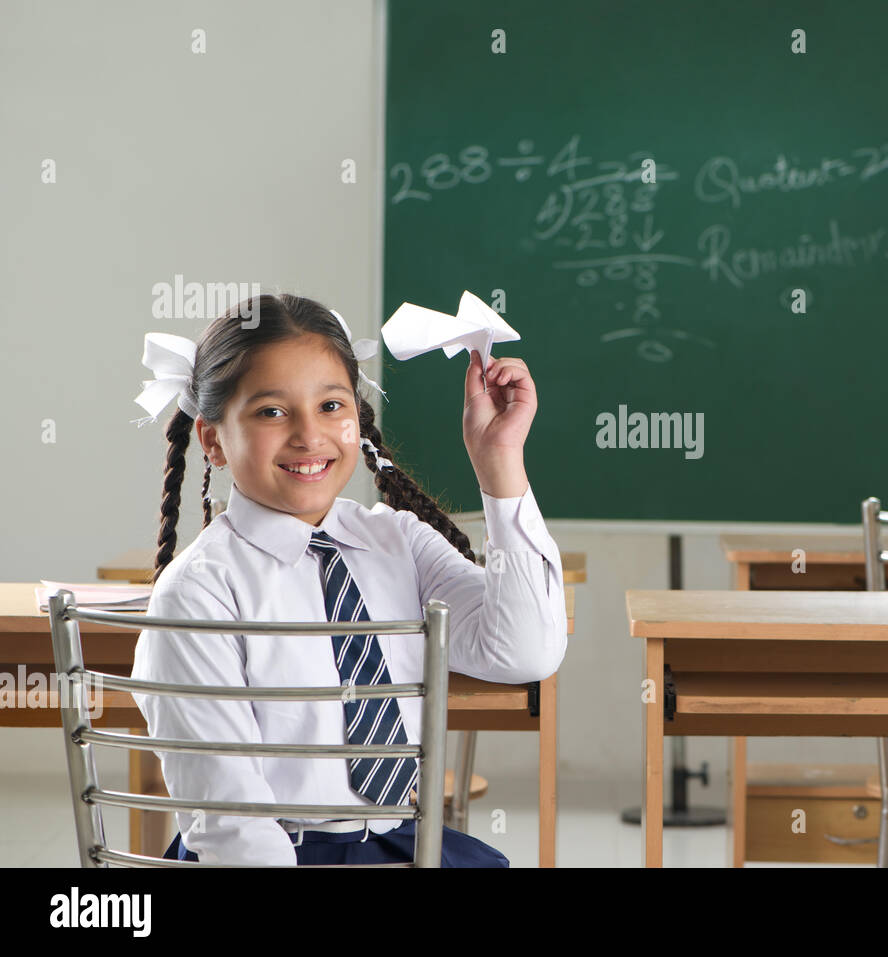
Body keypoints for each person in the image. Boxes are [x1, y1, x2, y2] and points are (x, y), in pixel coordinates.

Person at [128, 293, 566, 865]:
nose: (310, 436)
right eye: (271, 412)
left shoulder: (398, 542)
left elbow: (523, 653)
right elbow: (231, 821)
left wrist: (499, 461)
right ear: (213, 439)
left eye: (332, 405)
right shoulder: (198, 592)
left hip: (397, 840)